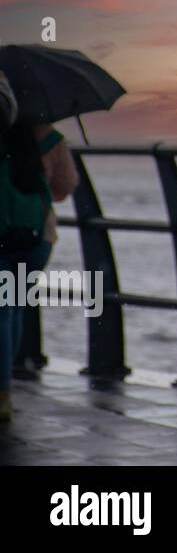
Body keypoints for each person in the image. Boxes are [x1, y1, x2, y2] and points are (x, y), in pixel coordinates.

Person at [0, 119, 78, 423]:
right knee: (13, 309)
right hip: (37, 236)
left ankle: (3, 388)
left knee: (3, 311)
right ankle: (6, 388)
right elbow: (66, 185)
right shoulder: (49, 136)